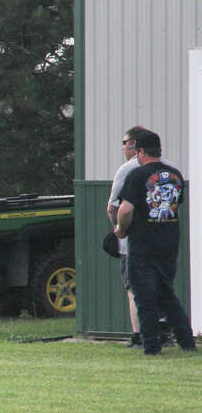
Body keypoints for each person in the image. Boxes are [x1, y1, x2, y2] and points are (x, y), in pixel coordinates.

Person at [114, 129, 196, 355]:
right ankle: (186, 342)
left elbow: (125, 209)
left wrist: (121, 229)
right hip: (169, 243)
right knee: (167, 294)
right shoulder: (176, 175)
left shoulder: (137, 175)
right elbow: (173, 205)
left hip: (143, 244)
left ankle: (151, 346)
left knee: (144, 296)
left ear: (140, 151)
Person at [106, 126, 173, 348]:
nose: (124, 148)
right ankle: (163, 333)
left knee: (134, 288)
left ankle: (140, 336)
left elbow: (114, 207)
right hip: (163, 239)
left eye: (125, 143)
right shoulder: (167, 168)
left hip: (134, 243)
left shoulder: (127, 170)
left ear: (135, 146)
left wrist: (119, 231)